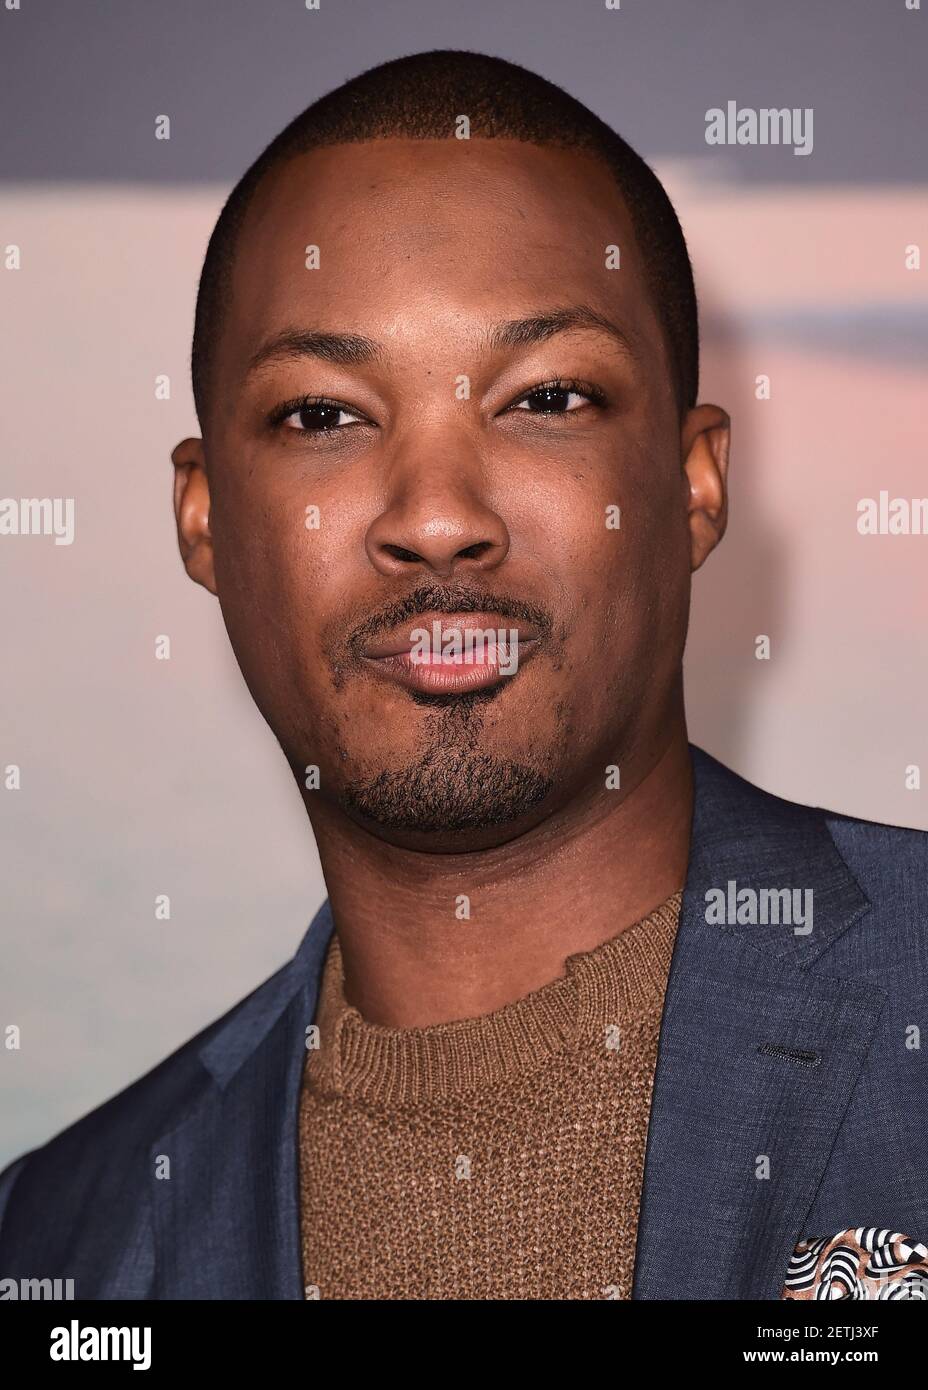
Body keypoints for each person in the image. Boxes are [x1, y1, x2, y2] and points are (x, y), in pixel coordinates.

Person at [2, 48, 926, 1302]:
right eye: (323, 414)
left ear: (693, 485)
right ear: (205, 518)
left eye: (544, 396)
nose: (436, 517)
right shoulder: (59, 1242)